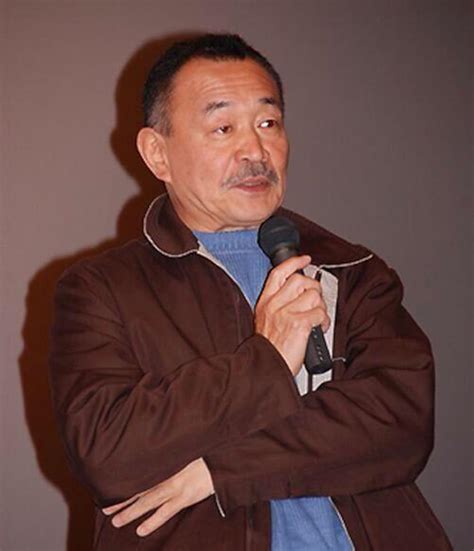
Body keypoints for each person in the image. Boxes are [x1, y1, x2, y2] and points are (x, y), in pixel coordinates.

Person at [49, 34, 451, 550]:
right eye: (223, 128)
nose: (255, 151)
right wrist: (267, 360)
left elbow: (400, 421)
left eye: (268, 123)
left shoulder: (352, 270)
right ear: (157, 154)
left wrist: (218, 473)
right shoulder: (100, 290)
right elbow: (109, 452)